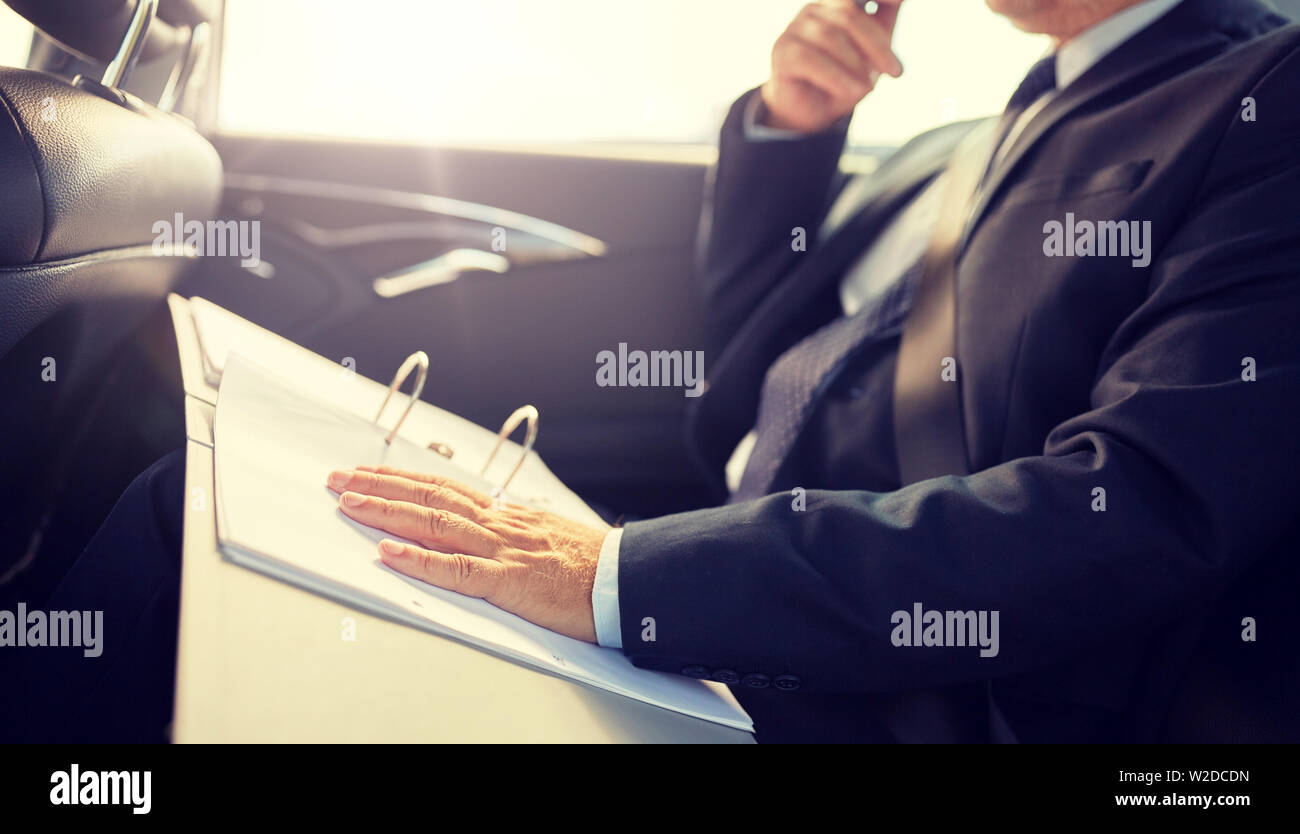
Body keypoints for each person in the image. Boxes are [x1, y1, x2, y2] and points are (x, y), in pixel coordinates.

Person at [12, 0, 1299, 743]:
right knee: (225, 465)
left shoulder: (1258, 94)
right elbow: (752, 375)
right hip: (731, 548)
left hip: (880, 676)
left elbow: (1140, 509)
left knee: (201, 524)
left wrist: (623, 580)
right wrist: (794, 134)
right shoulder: (1017, 111)